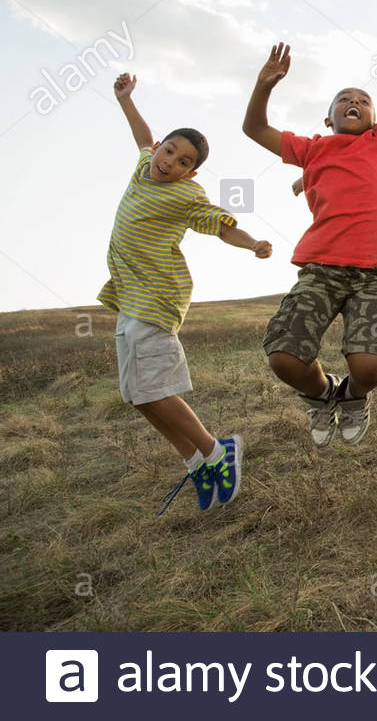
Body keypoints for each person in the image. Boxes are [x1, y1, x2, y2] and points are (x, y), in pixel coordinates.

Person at [243, 0, 377, 448]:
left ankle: (355, 394)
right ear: (328, 118)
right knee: (284, 356)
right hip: (319, 270)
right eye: (343, 99)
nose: (353, 101)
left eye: (362, 98)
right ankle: (323, 394)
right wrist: (264, 85)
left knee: (369, 366)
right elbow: (254, 128)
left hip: (370, 276)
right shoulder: (312, 148)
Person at [102, 73, 271, 513]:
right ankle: (197, 463)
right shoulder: (144, 167)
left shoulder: (186, 195)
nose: (169, 161)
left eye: (182, 161)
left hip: (155, 302)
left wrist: (252, 243)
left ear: (190, 172)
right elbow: (141, 135)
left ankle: (218, 452)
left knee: (155, 390)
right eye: (168, 150)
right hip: (128, 301)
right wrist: (126, 100)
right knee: (137, 396)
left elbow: (221, 224)